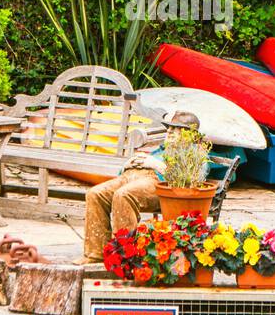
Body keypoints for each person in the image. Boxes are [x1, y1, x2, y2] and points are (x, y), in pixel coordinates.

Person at [80, 110, 201, 264]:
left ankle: (125, 258)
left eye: (176, 128)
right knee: (95, 193)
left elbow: (189, 180)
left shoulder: (195, 153)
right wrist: (128, 166)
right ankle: (94, 255)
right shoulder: (163, 149)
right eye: (169, 128)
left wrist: (156, 164)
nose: (169, 131)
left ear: (189, 134)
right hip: (131, 175)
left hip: (157, 182)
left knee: (124, 195)